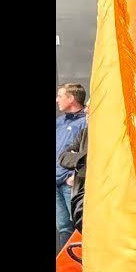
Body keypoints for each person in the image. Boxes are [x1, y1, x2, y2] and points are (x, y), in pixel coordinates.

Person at [55, 83, 88, 249]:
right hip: (57, 183)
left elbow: (84, 154)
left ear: (71, 98)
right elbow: (65, 154)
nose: (57, 100)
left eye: (60, 96)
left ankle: (80, 268)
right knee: (63, 228)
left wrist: (74, 176)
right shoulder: (59, 122)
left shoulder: (84, 123)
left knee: (80, 226)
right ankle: (64, 271)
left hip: (71, 184)